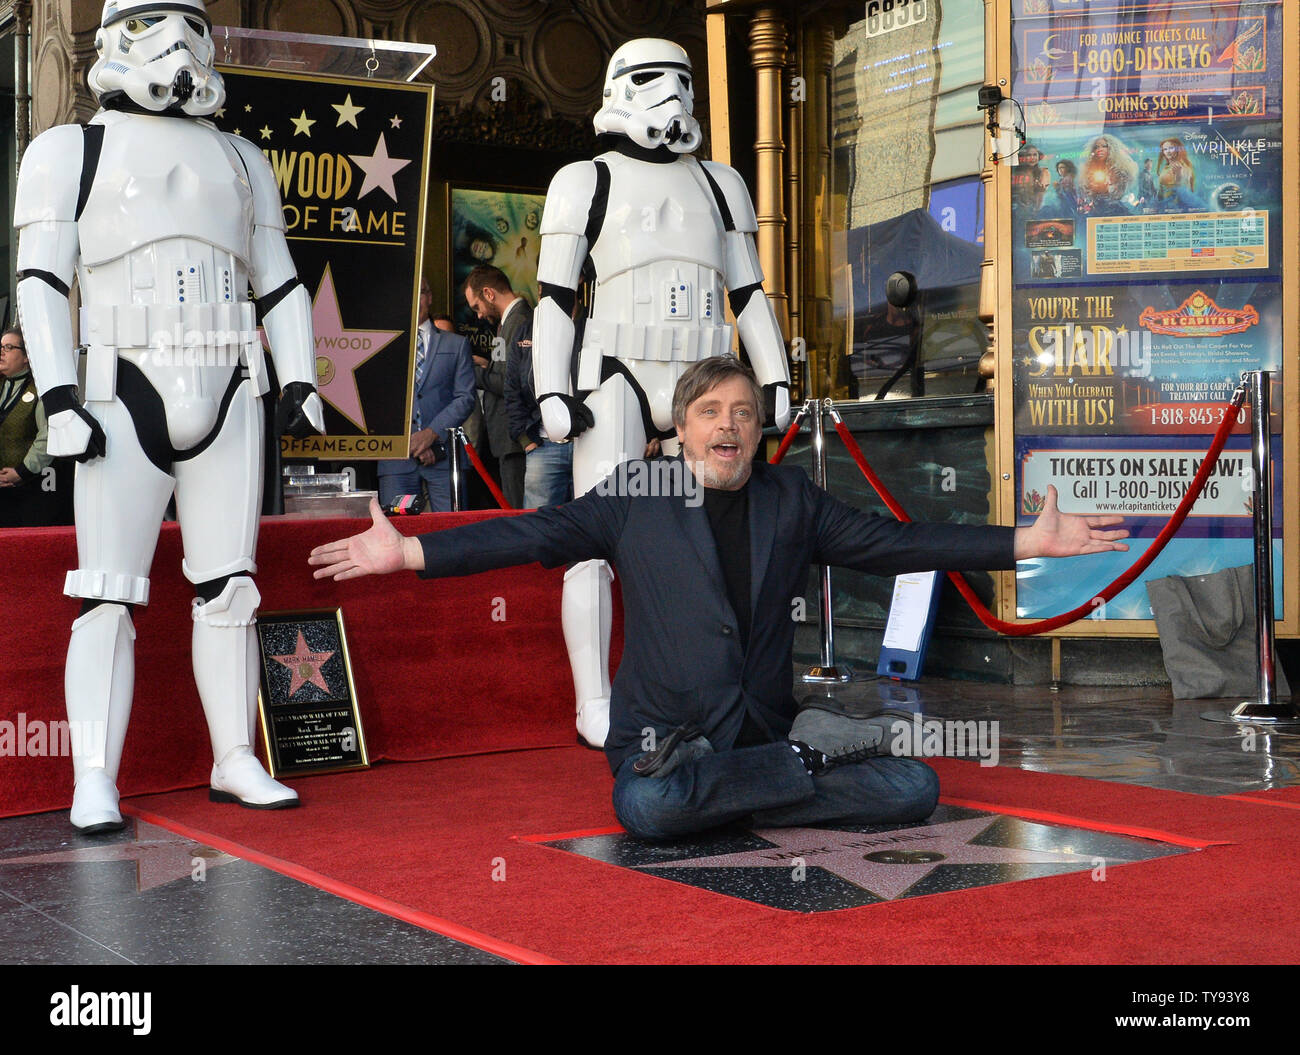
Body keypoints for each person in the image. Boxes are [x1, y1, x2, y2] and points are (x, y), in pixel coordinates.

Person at [310, 357, 1129, 840]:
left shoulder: (793, 499)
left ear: (759, 429)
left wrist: (1024, 542)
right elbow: (534, 534)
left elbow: (896, 543)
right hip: (671, 744)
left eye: (742, 411)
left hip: (761, 730)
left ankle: (770, 776)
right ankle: (799, 772)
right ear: (679, 430)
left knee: (914, 788)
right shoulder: (637, 491)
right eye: (710, 412)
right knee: (649, 806)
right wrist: (410, 549)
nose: (728, 425)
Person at [14, 0, 324, 832]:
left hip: (230, 385)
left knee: (231, 586)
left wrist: (300, 377)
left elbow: (281, 279)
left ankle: (234, 756)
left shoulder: (242, 156)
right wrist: (59, 396)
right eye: (156, 20)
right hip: (121, 387)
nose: (179, 41)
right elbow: (40, 280)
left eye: (192, 21)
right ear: (117, 31)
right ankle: (93, 773)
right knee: (108, 593)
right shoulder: (67, 151)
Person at [529, 39, 792, 749]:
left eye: (682, 79)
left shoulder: (721, 183)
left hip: (702, 372)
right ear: (618, 87)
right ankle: (596, 698)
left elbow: (749, 292)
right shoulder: (584, 179)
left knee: (705, 540)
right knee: (595, 538)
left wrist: (775, 375)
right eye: (651, 78)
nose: (670, 93)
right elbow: (554, 295)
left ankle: (705, 689)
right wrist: (551, 388)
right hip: (614, 366)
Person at [377, 277, 476, 512]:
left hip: (444, 458)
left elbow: (465, 398)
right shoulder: (381, 344)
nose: (414, 301)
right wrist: (413, 441)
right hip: (396, 460)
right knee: (396, 536)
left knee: (451, 535)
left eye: (419, 293)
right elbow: (377, 397)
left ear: (429, 297)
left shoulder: (456, 344)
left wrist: (431, 435)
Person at [463, 267, 527, 509]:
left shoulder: (519, 320)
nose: (478, 316)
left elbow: (507, 381)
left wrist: (470, 372)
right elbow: (502, 371)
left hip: (514, 437)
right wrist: (487, 367)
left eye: (476, 307)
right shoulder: (506, 323)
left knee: (517, 513)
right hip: (505, 440)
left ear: (489, 293)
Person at [0, 327, 55, 527]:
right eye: (0, 346)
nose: (1, 352)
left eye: (8, 347)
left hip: (28, 491)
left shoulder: (41, 389)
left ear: (26, 356)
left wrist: (22, 471)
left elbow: (48, 435)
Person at [1080, 134, 1137, 215]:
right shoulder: (1089, 171)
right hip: (1096, 210)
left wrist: (1108, 189)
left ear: (1110, 148)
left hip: (1116, 211)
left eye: (1104, 146)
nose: (1099, 149)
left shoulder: (1120, 170)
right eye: (1096, 147)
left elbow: (1122, 194)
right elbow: (1085, 192)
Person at [1155, 137, 1209, 213]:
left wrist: (1178, 178)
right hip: (1165, 207)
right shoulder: (1166, 167)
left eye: (1171, 148)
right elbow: (1161, 190)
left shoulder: (1183, 167)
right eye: (1165, 149)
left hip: (1178, 208)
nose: (1168, 151)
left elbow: (1184, 192)